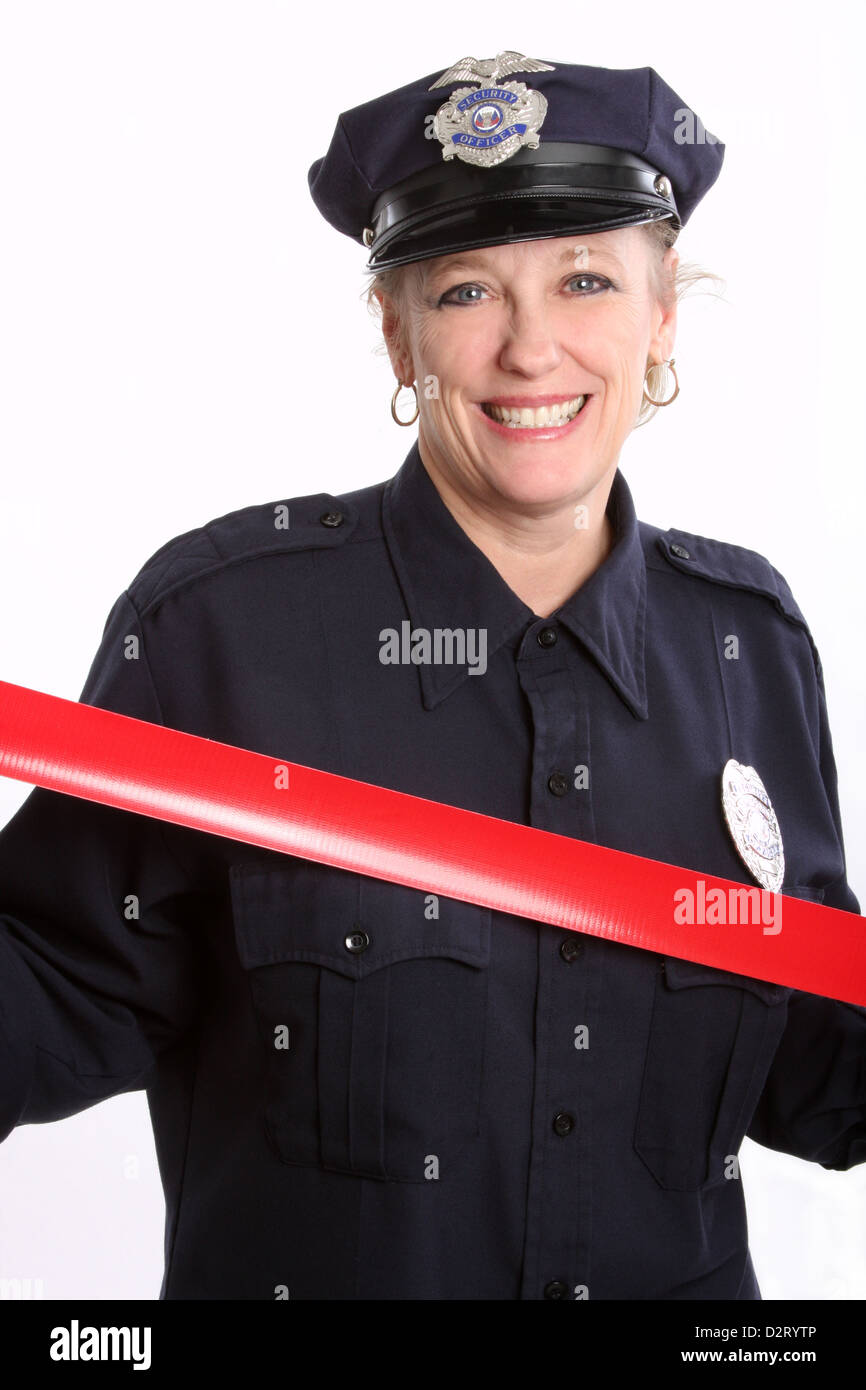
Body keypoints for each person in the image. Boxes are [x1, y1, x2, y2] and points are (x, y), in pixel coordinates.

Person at [0, 53, 862, 1301]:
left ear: (660, 313)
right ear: (397, 334)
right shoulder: (220, 632)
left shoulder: (749, 646)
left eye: (584, 280)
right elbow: (50, 983)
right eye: (466, 292)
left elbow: (811, 1067)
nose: (529, 349)